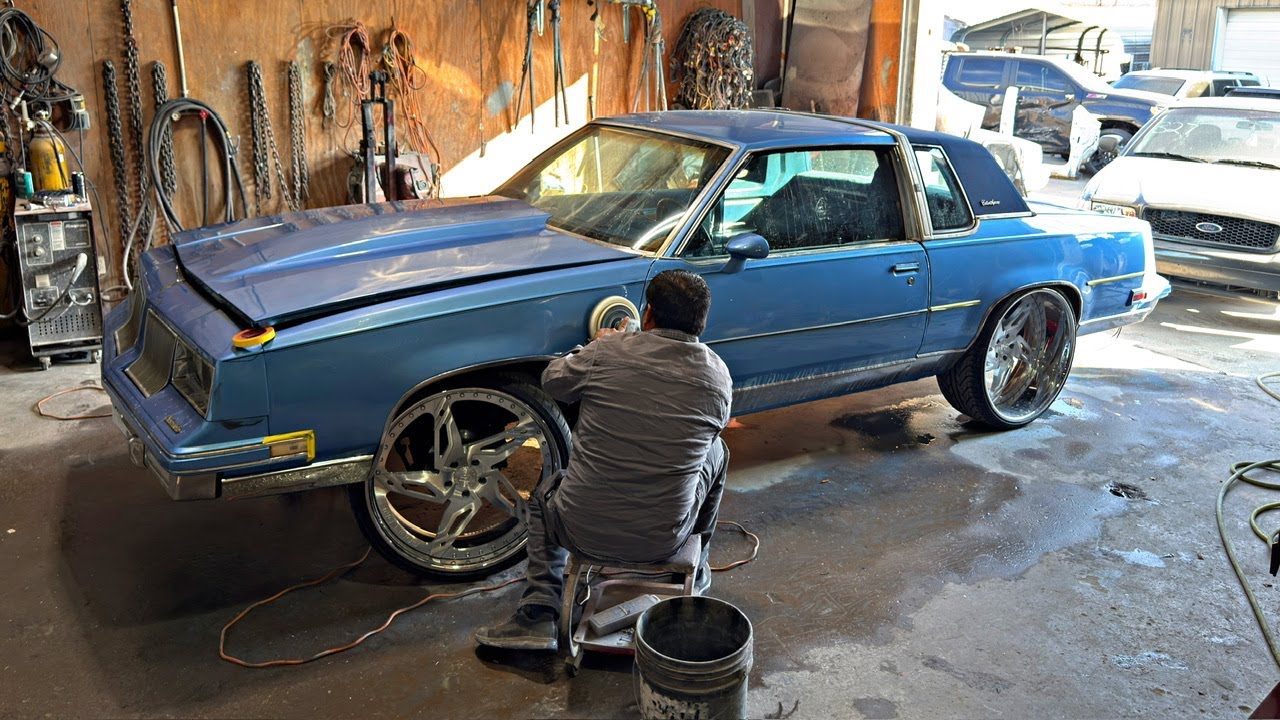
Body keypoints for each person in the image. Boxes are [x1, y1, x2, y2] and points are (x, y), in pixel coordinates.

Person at [475, 269, 733, 652]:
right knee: (717, 452)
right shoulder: (718, 378)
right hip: (665, 538)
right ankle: (699, 563)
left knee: (548, 488)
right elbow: (707, 433)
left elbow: (552, 382)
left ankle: (539, 612)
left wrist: (597, 345)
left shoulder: (606, 352)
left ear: (648, 315)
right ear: (703, 321)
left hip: (580, 530)